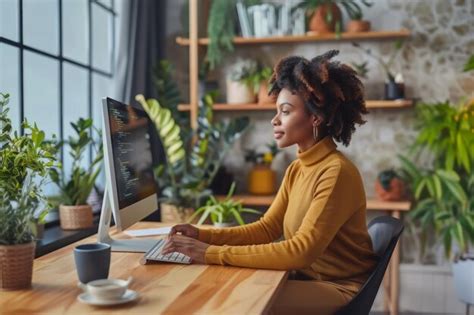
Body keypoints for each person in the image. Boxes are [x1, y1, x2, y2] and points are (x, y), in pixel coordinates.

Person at [162, 50, 378, 314]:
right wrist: (203, 234)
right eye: (277, 111)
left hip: (338, 288)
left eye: (285, 111)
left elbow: (300, 251)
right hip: (306, 278)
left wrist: (209, 253)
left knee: (235, 296)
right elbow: (266, 229)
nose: (275, 120)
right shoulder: (297, 169)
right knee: (225, 283)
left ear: (315, 118)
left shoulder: (336, 172)